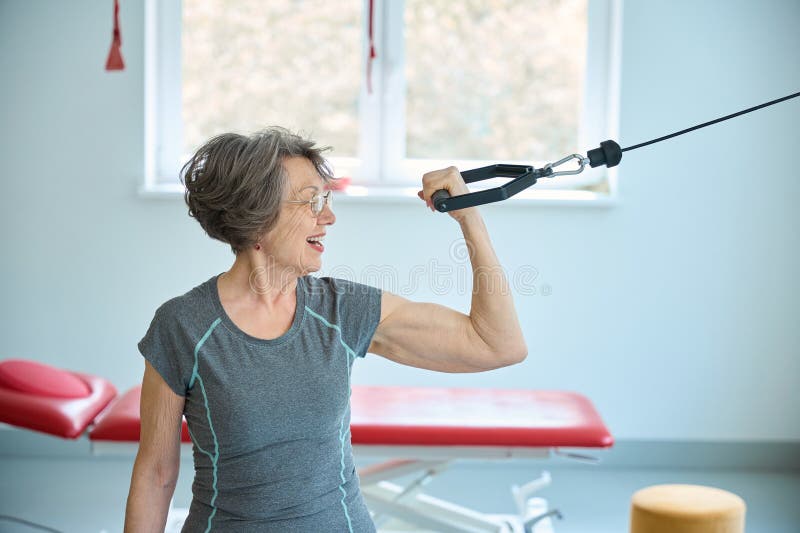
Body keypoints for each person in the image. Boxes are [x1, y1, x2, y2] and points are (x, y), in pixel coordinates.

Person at [124, 126, 527, 532]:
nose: (329, 217)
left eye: (327, 199)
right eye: (313, 201)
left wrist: (469, 218)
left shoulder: (340, 310)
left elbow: (497, 345)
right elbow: (156, 474)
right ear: (257, 214)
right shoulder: (183, 326)